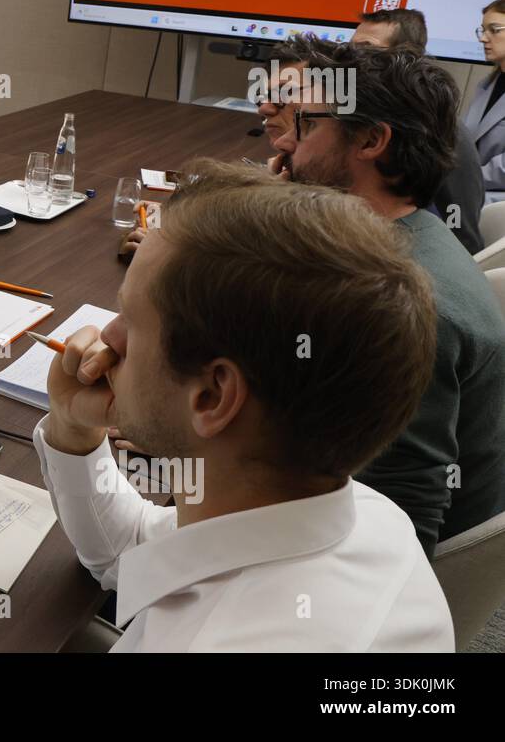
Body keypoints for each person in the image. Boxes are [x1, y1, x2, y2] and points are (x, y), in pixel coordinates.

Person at [37, 161, 452, 651]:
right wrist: (72, 428)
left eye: (130, 317)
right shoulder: (365, 514)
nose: (108, 336)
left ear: (213, 396)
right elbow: (127, 553)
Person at [264, 40, 505, 553]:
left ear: (371, 139)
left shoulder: (401, 304)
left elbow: (402, 516)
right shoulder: (400, 232)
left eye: (305, 125)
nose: (285, 143)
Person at [349, 10, 485, 252]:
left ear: (404, 56)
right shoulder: (372, 114)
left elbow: (461, 234)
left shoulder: (439, 130)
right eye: (351, 48)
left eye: (366, 48)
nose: (351, 58)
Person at [466, 0, 505, 204]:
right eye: (483, 30)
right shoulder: (487, 85)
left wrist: (461, 180)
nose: (483, 38)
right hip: (473, 191)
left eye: (494, 30)